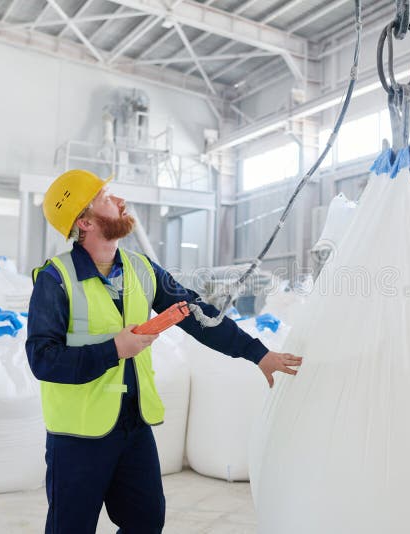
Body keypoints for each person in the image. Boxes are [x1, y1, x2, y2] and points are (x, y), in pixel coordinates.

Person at [26, 169, 302, 534]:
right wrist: (114, 349)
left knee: (146, 521)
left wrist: (257, 353)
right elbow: (43, 359)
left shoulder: (141, 269)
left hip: (132, 426)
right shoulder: (55, 279)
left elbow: (197, 314)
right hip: (77, 436)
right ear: (85, 222)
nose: (120, 201)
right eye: (106, 198)